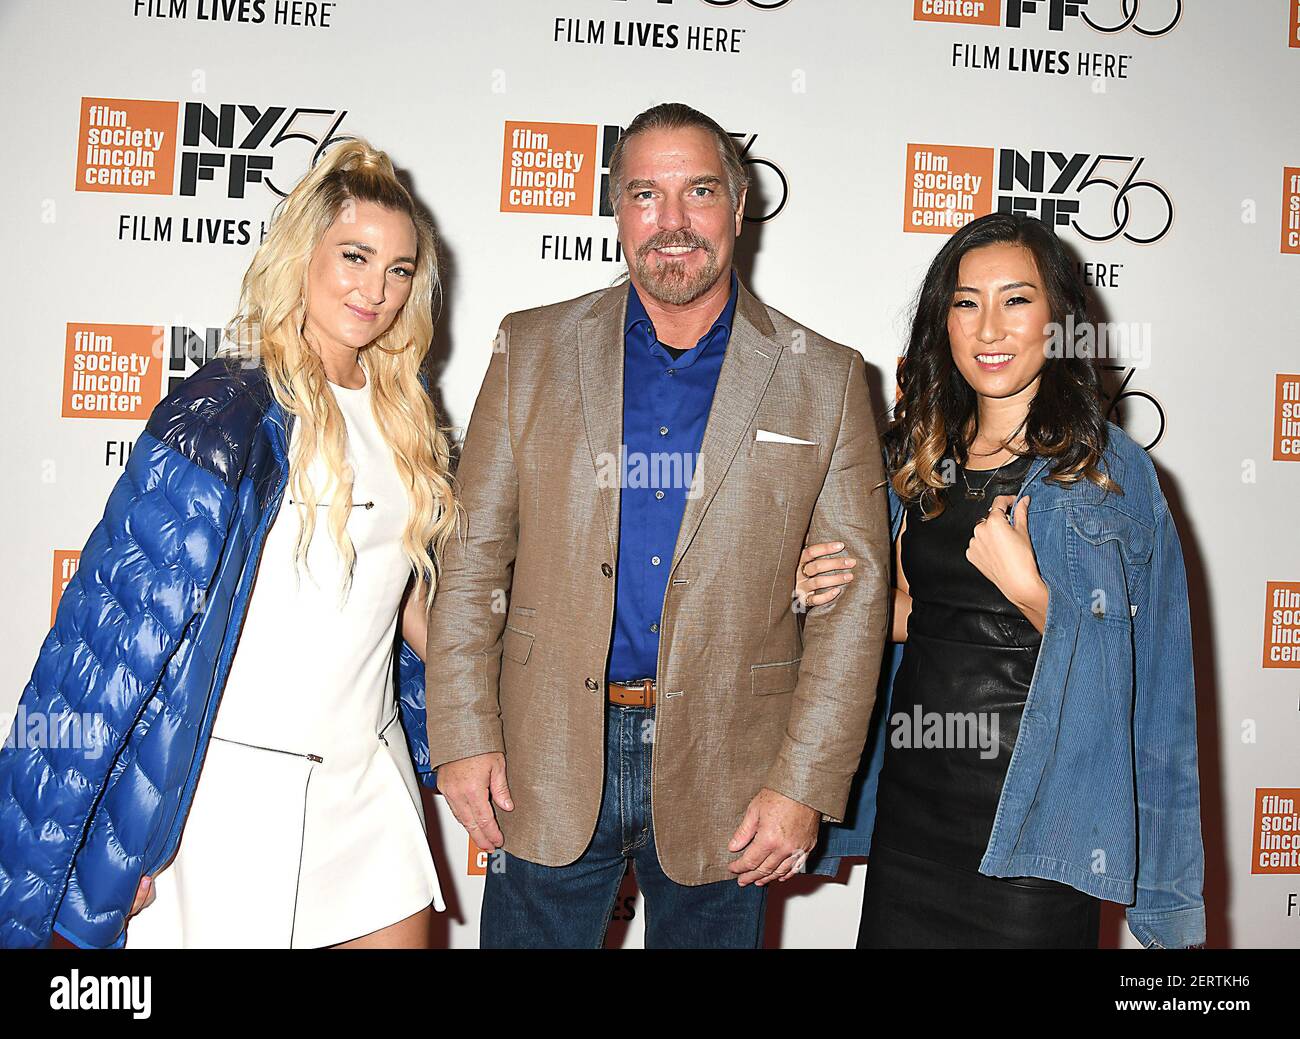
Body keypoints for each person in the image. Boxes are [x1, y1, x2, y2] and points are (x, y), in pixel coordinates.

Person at [424, 102, 892, 948]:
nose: (671, 222)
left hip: (731, 769)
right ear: (615, 210)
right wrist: (459, 735)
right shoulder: (527, 349)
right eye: (645, 194)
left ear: (739, 208)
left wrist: (803, 783)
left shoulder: (824, 377)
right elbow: (472, 561)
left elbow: (853, 606)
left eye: (698, 191)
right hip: (544, 756)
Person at [0, 139, 454, 949]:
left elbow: (408, 594)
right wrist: (111, 827)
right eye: (355, 256)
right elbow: (122, 633)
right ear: (303, 254)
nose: (376, 289)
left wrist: (496, 701)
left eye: (399, 269)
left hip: (366, 774)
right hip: (233, 789)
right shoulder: (226, 410)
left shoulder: (404, 410)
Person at [799, 212, 1206, 949]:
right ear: (942, 322)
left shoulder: (1108, 469)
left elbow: (1157, 677)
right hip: (914, 815)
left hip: (1035, 831)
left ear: (1059, 320)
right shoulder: (917, 454)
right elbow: (916, 616)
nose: (989, 327)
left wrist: (1033, 595)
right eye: (965, 302)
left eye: (1016, 300)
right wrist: (831, 588)